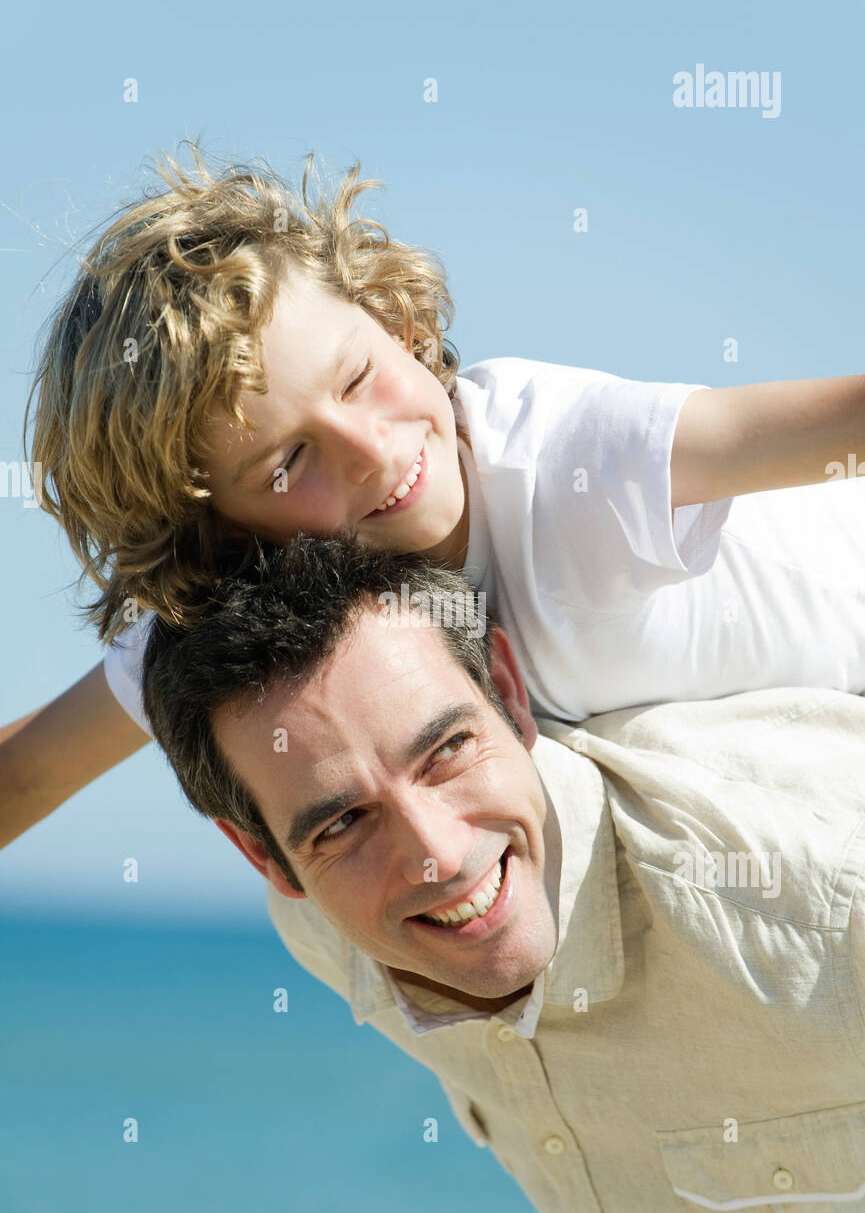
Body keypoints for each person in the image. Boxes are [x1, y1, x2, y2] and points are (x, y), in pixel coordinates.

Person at [4, 140, 865, 848]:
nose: (371, 450)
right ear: (222, 537)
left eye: (356, 378)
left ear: (392, 322)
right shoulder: (248, 602)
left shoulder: (566, 458)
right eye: (286, 463)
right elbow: (32, 769)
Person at [139, 534, 865, 1213]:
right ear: (266, 856)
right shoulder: (325, 931)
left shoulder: (815, 896)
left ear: (508, 695)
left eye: (446, 749)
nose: (439, 857)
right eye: (344, 821)